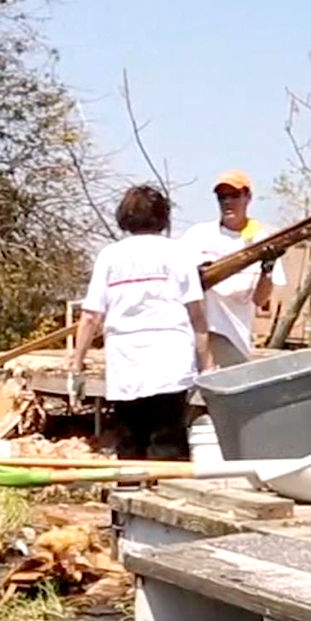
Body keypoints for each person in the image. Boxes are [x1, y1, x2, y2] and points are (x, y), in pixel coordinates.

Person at [70, 185, 215, 460]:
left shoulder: (110, 256)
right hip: (170, 364)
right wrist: (207, 366)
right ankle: (167, 499)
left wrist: (77, 363)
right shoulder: (179, 254)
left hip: (127, 364)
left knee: (129, 444)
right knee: (169, 446)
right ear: (163, 217)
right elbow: (196, 316)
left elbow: (91, 316)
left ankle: (127, 498)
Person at [177, 169, 284, 367]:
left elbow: (261, 300)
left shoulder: (261, 241)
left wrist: (267, 268)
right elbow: (175, 281)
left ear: (248, 197)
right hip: (195, 336)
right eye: (222, 197)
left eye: (234, 195)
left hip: (233, 339)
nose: (228, 202)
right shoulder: (197, 235)